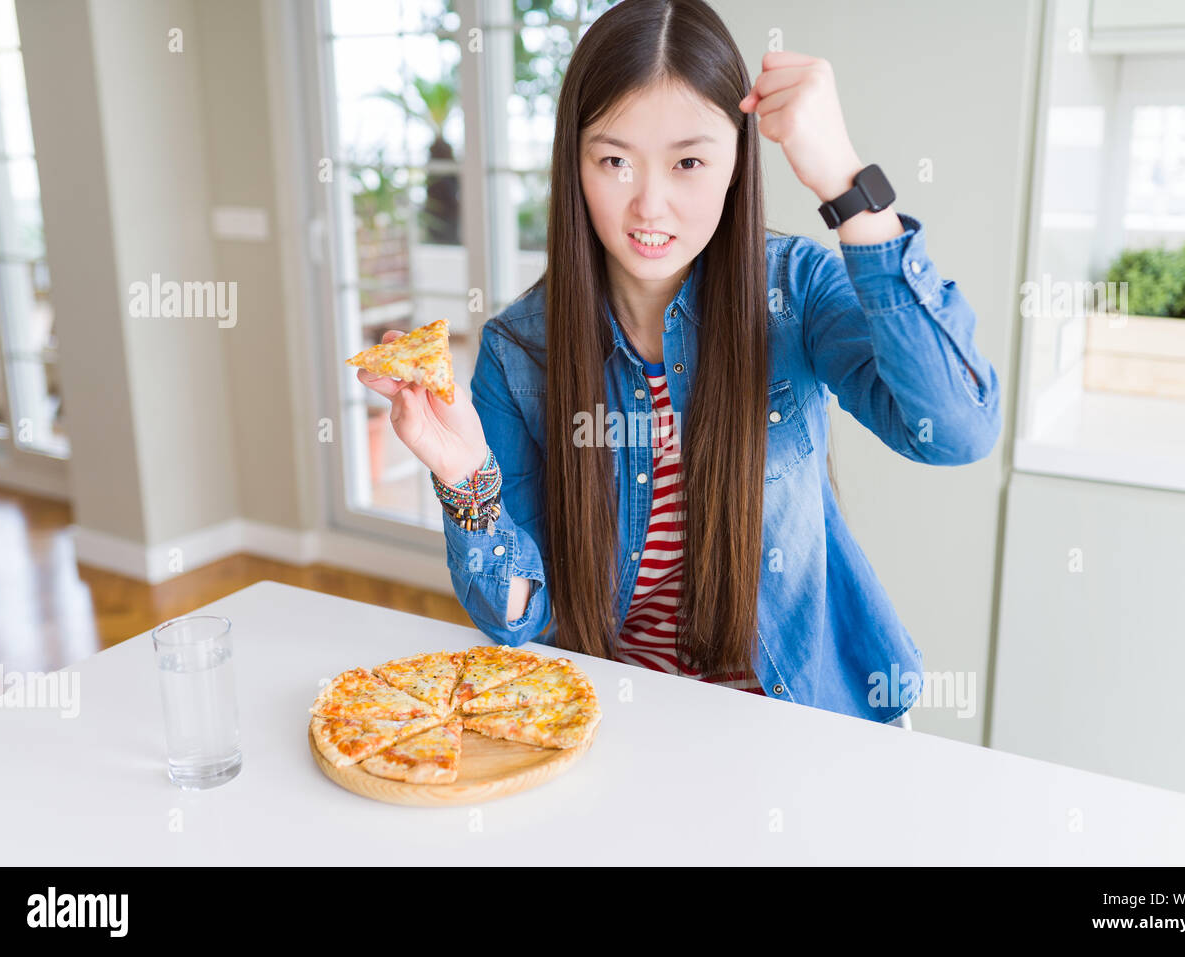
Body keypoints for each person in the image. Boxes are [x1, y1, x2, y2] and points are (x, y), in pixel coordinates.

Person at [356, 0, 1000, 726]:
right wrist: (462, 476)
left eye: (689, 161)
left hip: (810, 724)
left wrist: (847, 185)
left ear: (735, 161)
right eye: (614, 161)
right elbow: (520, 621)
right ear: (575, 162)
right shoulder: (519, 352)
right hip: (636, 731)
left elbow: (956, 429)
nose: (649, 205)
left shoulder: (794, 290)